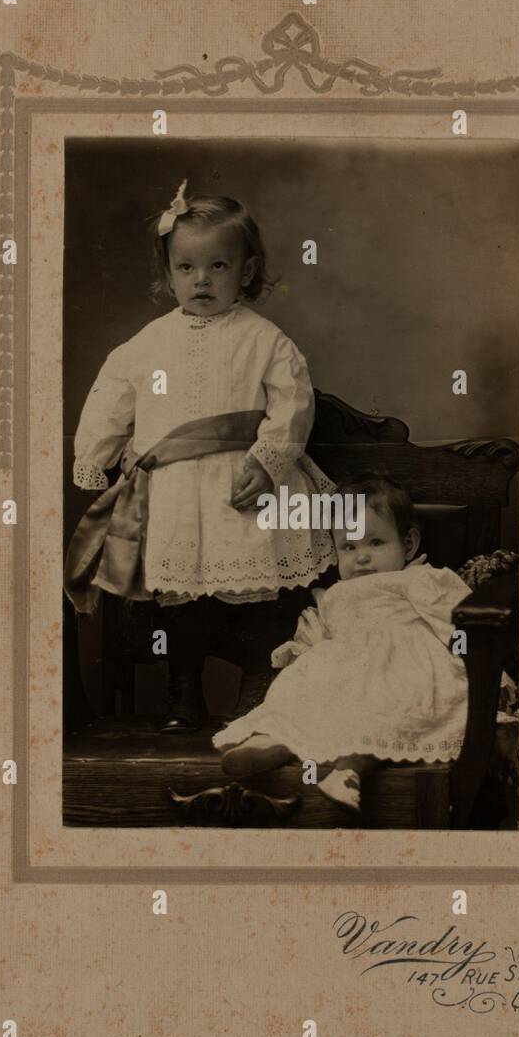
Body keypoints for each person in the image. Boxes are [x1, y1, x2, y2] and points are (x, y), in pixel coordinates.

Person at [65, 180, 336, 730]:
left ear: (247, 271)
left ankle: (258, 683)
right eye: (186, 268)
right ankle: (183, 690)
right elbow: (111, 400)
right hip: (173, 495)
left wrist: (269, 461)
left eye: (218, 266)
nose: (202, 280)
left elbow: (292, 405)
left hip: (245, 486)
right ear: (169, 274)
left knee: (261, 596)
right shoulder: (146, 344)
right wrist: (96, 460)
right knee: (180, 600)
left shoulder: (266, 340)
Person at [213, 473, 473, 809]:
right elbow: (321, 632)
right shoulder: (334, 594)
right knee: (297, 692)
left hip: (401, 670)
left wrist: (484, 671)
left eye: (375, 543)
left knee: (383, 712)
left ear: (408, 544)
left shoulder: (417, 580)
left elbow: (456, 621)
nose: (361, 557)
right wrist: (302, 651)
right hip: (344, 668)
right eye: (349, 547)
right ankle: (273, 740)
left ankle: (349, 771)